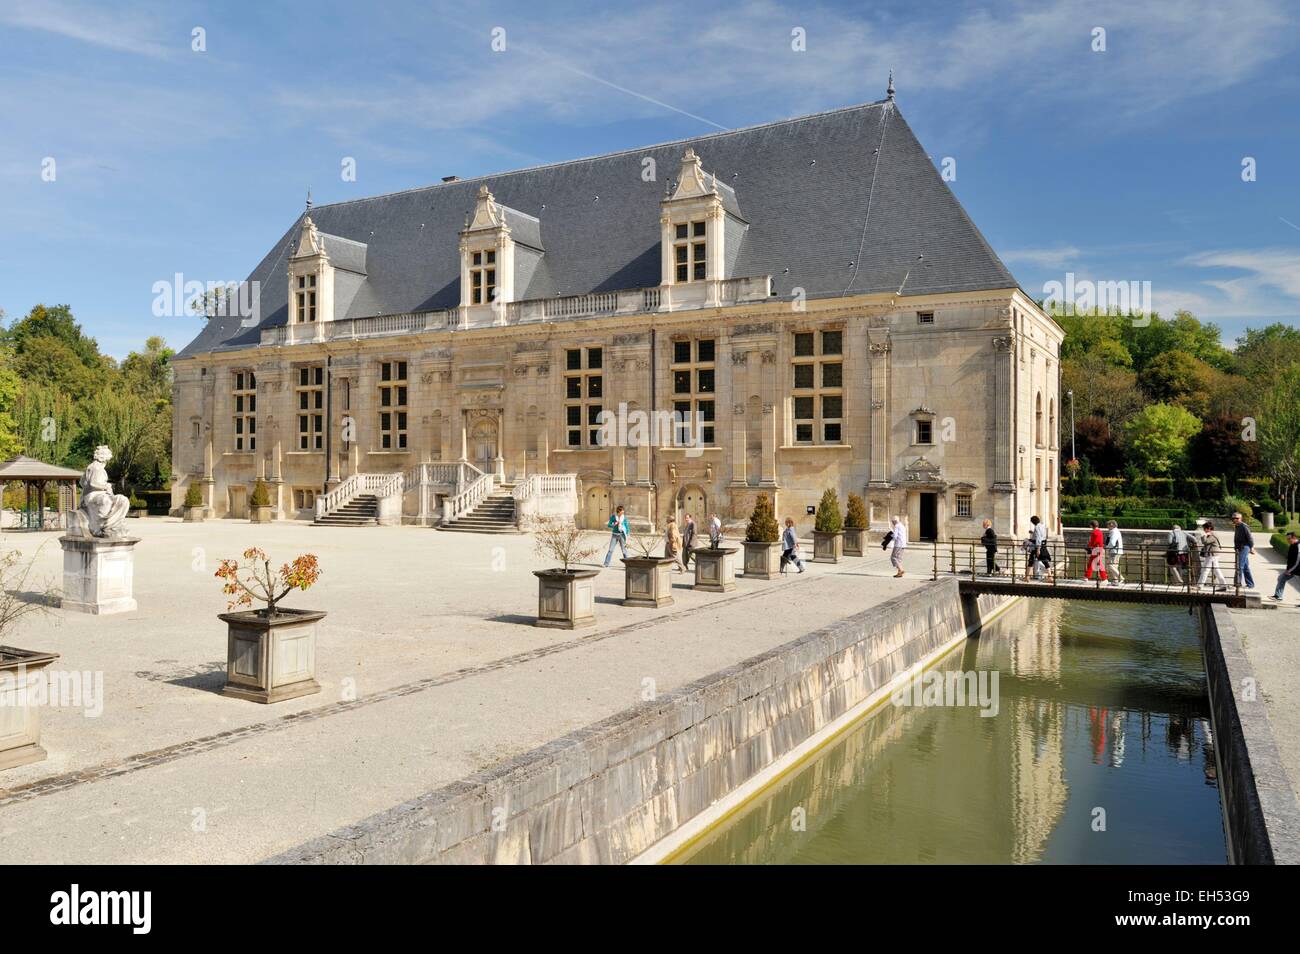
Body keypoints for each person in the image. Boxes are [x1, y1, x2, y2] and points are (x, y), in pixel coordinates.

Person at [1196, 521, 1228, 589]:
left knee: (1205, 570)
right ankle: (1223, 585)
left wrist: (1204, 535)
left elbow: (1205, 542)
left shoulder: (1213, 534)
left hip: (1212, 555)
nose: (1204, 530)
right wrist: (1206, 535)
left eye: (1204, 528)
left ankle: (1199, 586)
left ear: (1209, 528)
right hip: (1212, 555)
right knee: (1216, 570)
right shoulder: (1211, 534)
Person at [1271, 531, 1300, 603]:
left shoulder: (1298, 546)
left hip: (1297, 568)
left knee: (1281, 578)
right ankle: (1278, 596)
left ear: (1294, 538)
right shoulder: (1292, 545)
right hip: (1293, 569)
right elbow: (1290, 559)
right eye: (1287, 539)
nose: (1287, 541)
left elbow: (1297, 560)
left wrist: (1290, 570)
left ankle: (1278, 596)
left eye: (1289, 539)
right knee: (1281, 578)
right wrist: (1288, 569)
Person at [1232, 512, 1256, 589]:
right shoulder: (1237, 526)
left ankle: (1237, 584)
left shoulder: (1244, 526)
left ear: (1241, 518)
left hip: (1244, 547)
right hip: (1239, 548)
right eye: (1233, 518)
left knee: (1239, 566)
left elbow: (1250, 538)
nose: (1235, 520)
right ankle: (1250, 584)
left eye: (1237, 518)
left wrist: (1251, 547)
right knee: (1245, 567)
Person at [1027, 515, 1049, 581]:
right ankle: (1050, 576)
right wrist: (1033, 533)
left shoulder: (1037, 527)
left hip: (1037, 546)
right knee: (1044, 560)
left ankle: (1027, 577)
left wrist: (1038, 549)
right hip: (1042, 544)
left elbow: (1039, 538)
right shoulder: (1042, 525)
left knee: (1031, 560)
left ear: (1033, 522)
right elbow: (1041, 535)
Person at [1104, 519, 1124, 585]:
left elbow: (1112, 543)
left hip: (1114, 551)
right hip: (1116, 551)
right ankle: (1115, 581)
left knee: (1110, 565)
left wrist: (1106, 548)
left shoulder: (1114, 532)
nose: (1107, 527)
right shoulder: (1115, 531)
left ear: (1111, 525)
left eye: (1108, 525)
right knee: (1114, 566)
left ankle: (1120, 578)